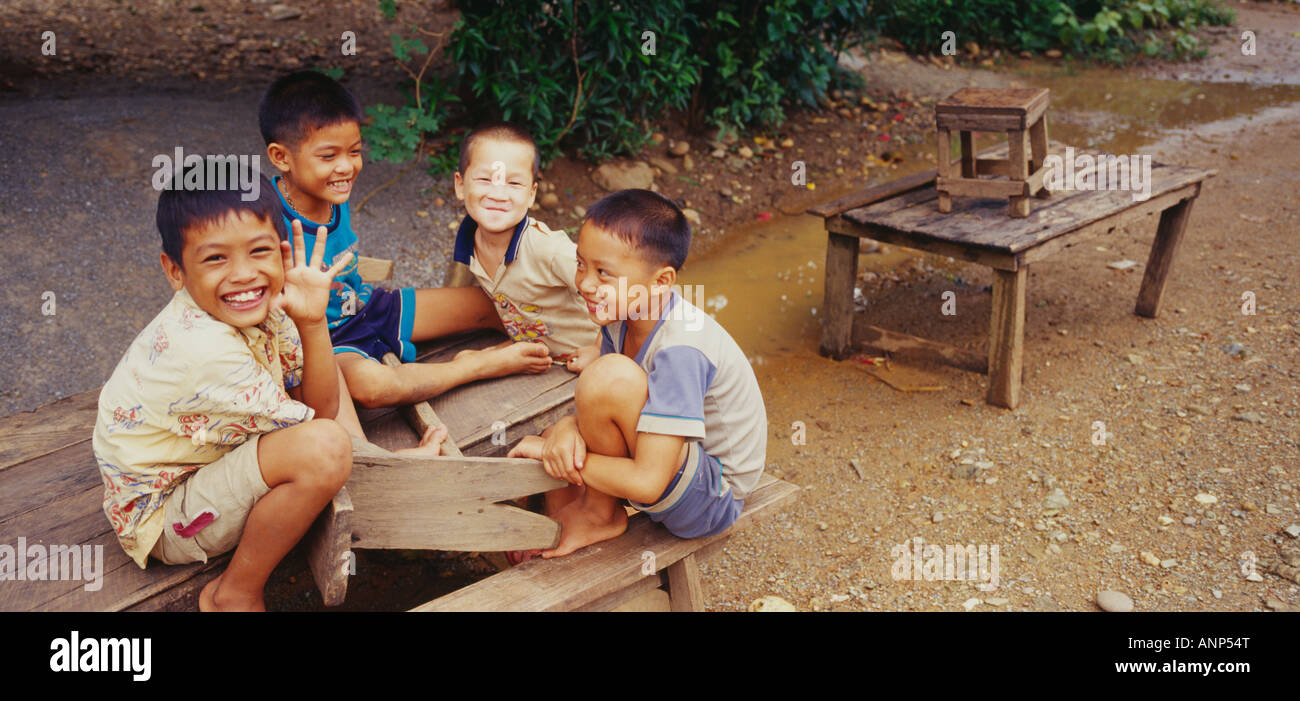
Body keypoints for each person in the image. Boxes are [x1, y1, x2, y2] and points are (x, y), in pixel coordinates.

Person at [94, 172, 378, 611]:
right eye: (216, 259)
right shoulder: (206, 352)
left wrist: (313, 321)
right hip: (166, 518)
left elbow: (317, 404)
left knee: (326, 412)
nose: (244, 274)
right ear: (175, 270)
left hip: (193, 469)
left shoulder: (263, 305)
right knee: (325, 449)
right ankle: (235, 591)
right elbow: (321, 433)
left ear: (283, 254)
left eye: (259, 251)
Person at [259, 71, 551, 410]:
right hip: (326, 341)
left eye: (354, 151)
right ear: (281, 157)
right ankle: (473, 366)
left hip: (369, 308)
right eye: (328, 157)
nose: (346, 167)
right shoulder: (265, 219)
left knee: (498, 306)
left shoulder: (329, 194)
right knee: (374, 387)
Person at [509, 189, 767, 557]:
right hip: (671, 467)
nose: (584, 283)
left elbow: (647, 482)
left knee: (603, 381)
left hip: (711, 499)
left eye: (604, 273)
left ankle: (597, 514)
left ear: (661, 282)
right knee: (559, 434)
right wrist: (564, 431)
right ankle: (581, 517)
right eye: (581, 264)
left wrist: (545, 452)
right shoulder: (622, 318)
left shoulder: (682, 350)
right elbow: (602, 412)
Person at [450, 121, 601, 372]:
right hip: (541, 358)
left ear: (531, 194)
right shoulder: (470, 239)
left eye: (513, 184)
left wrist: (598, 350)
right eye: (485, 179)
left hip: (595, 358)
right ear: (460, 185)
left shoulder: (549, 250)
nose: (498, 194)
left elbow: (615, 295)